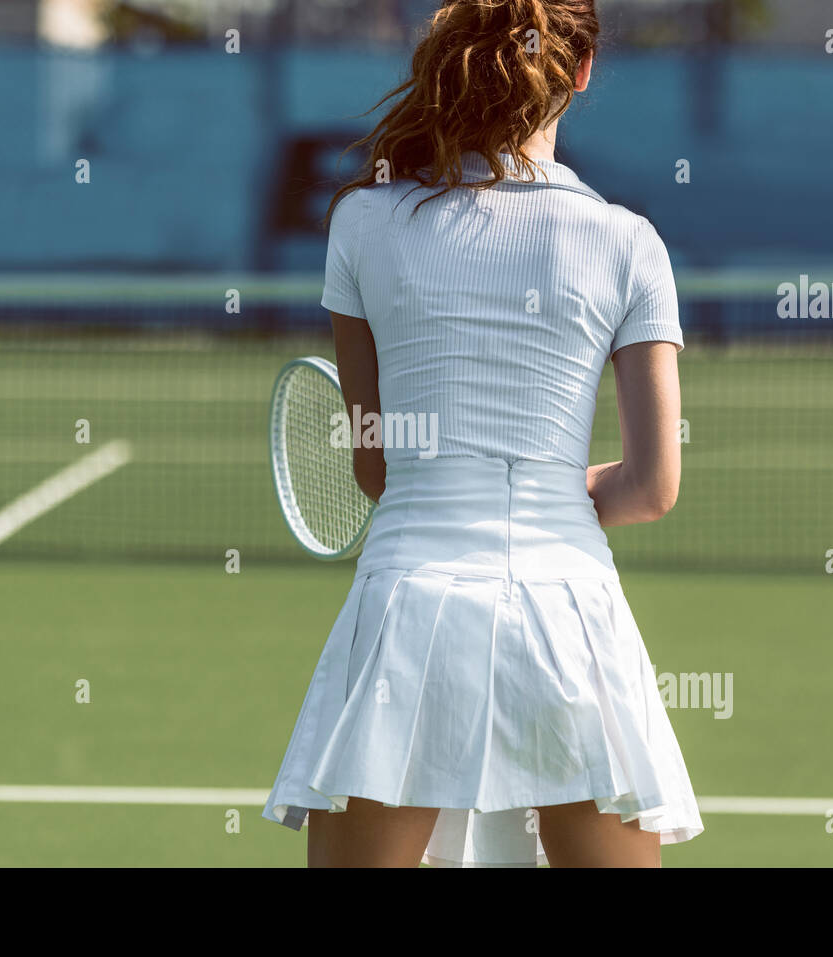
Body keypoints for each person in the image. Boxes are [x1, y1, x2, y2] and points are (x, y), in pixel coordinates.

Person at [262, 0, 703, 867]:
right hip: (573, 613)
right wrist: (544, 486)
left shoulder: (360, 223)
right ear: (579, 74)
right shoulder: (631, 244)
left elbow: (377, 466)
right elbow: (652, 487)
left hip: (407, 603)